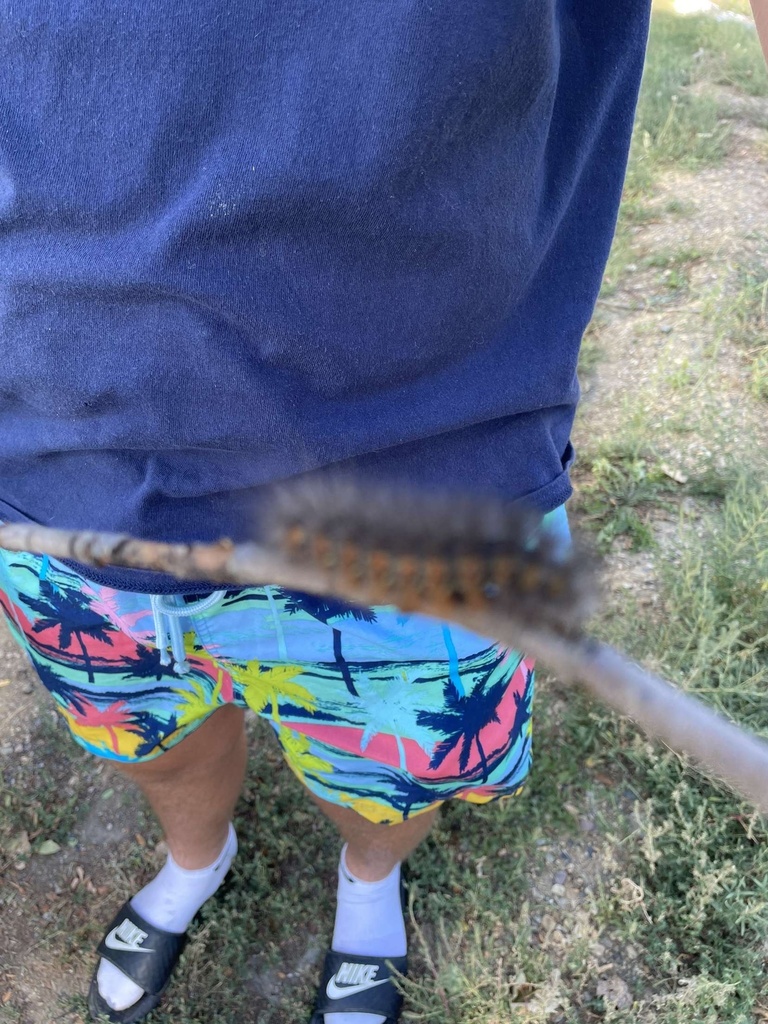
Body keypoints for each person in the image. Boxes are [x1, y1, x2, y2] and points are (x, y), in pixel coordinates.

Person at [1, 4, 766, 1023]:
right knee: (154, 740)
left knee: (391, 779)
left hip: (430, 489)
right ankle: (197, 854)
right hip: (57, 477)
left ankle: (369, 881)